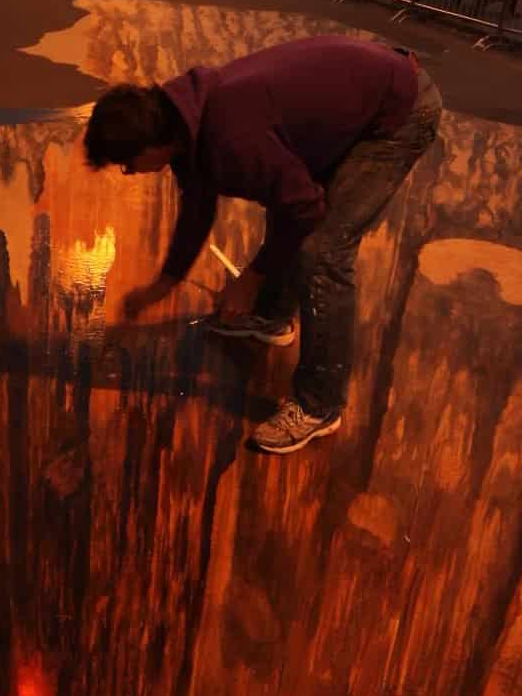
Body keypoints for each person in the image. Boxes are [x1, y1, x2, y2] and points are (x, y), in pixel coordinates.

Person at [84, 35, 442, 454]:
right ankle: (273, 318)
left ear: (152, 145)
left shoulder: (231, 136)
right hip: (360, 93)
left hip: (398, 111)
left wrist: (250, 279)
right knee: (286, 200)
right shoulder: (184, 119)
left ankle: (320, 405)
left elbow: (306, 209)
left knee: (323, 251)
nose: (128, 172)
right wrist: (160, 288)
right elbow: (198, 209)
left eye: (127, 162)